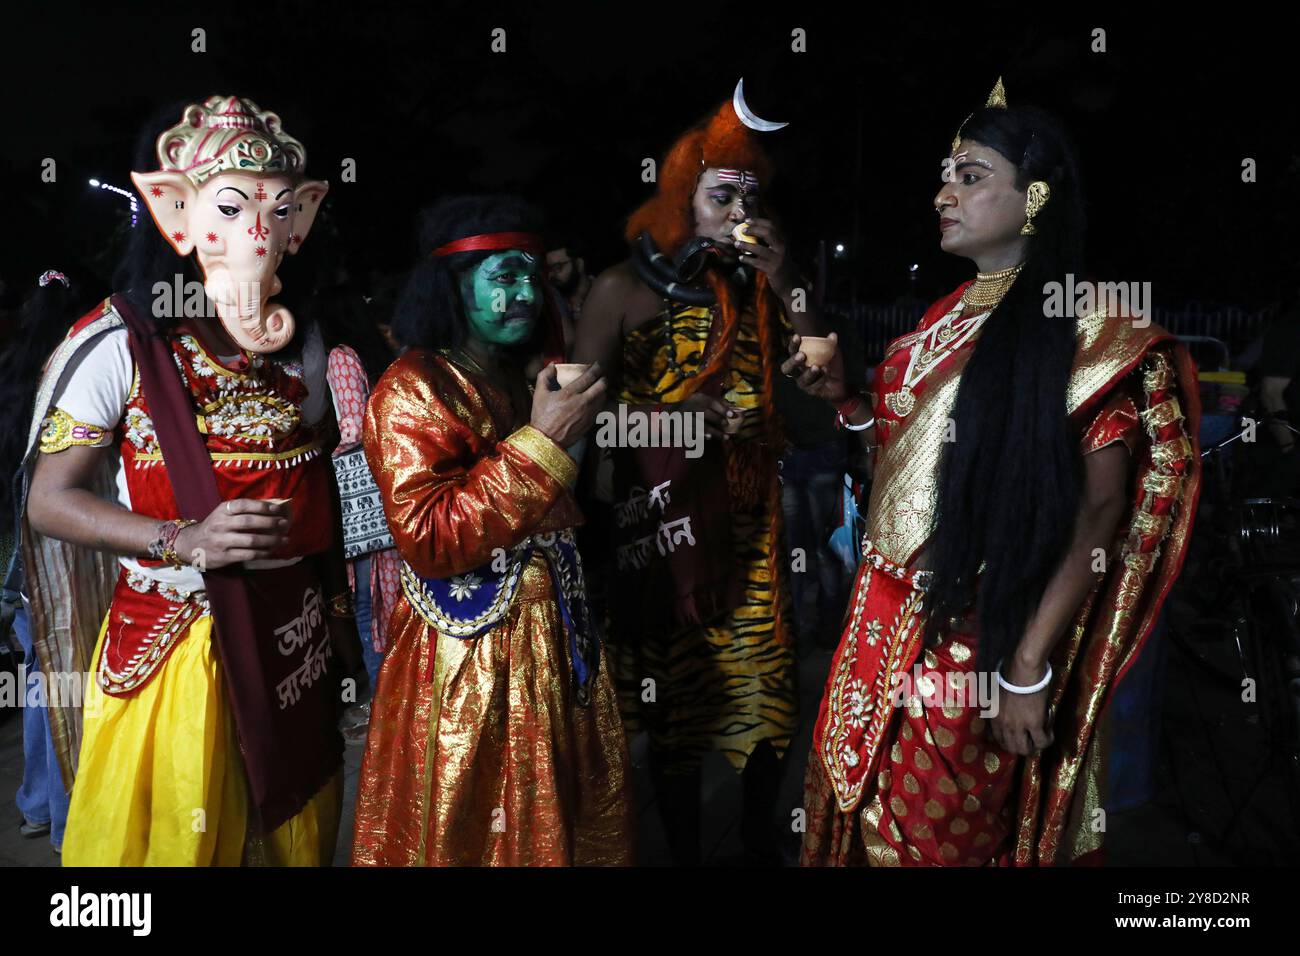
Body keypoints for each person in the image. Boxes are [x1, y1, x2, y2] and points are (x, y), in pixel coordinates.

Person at [791, 79, 1200, 866]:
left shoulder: (1089, 331)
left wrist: (1025, 665)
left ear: (1036, 198)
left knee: (936, 843)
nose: (944, 193)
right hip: (875, 629)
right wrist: (846, 402)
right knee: (851, 823)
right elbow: (903, 470)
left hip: (974, 643)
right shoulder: (936, 322)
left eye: (971, 175)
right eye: (945, 174)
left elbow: (1098, 512)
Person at [20, 95, 350, 865]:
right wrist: (185, 537)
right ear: (175, 215)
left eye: (276, 209)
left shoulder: (304, 342)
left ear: (302, 218)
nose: (258, 233)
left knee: (294, 826)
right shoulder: (118, 344)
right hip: (180, 645)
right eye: (230, 208)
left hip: (290, 634)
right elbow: (48, 500)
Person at [575, 79, 840, 864]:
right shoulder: (621, 292)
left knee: (769, 702)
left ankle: (760, 845)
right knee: (677, 712)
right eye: (723, 197)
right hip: (661, 530)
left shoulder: (766, 292)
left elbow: (825, 408)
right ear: (683, 199)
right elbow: (572, 429)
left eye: (752, 201)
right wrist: (676, 421)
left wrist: (791, 284)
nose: (739, 217)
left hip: (753, 536)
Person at [351, 195, 634, 866]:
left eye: (534, 275)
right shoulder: (414, 386)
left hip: (553, 643)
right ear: (452, 282)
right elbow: (431, 539)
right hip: (472, 663)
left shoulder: (515, 375)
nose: (525, 293)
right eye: (504, 276)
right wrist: (543, 441)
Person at [1, 269, 91, 854]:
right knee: (63, 679)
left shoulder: (10, 373)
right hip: (55, 551)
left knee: (41, 678)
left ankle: (35, 803)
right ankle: (64, 821)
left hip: (12, 555)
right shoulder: (70, 374)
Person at [315, 282, 401, 741]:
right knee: (377, 600)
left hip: (358, 502)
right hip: (372, 498)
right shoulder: (359, 352)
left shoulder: (339, 357)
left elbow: (353, 427)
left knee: (368, 603)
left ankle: (383, 707)